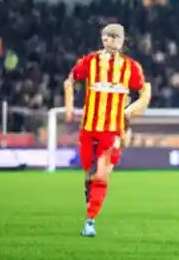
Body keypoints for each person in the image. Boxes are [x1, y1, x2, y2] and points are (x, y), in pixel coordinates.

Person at [64, 23, 152, 238]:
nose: (110, 40)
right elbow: (70, 80)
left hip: (112, 131)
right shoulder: (90, 62)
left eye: (114, 37)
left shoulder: (130, 67)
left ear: (122, 41)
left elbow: (144, 91)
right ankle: (90, 196)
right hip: (89, 128)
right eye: (106, 36)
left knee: (102, 174)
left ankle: (90, 220)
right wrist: (69, 108)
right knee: (90, 174)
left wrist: (132, 111)